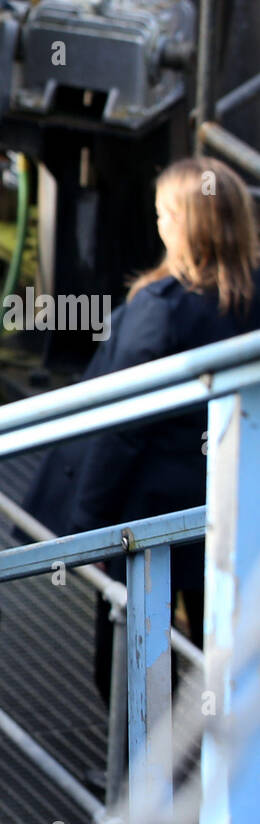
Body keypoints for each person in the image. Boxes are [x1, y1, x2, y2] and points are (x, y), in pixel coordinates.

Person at [58, 156, 260, 702]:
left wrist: (89, 521)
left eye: (165, 214)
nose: (158, 224)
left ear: (186, 225)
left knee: (134, 649)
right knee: (226, 638)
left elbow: (124, 426)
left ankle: (141, 770)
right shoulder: (250, 298)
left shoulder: (159, 309)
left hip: (151, 514)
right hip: (232, 505)